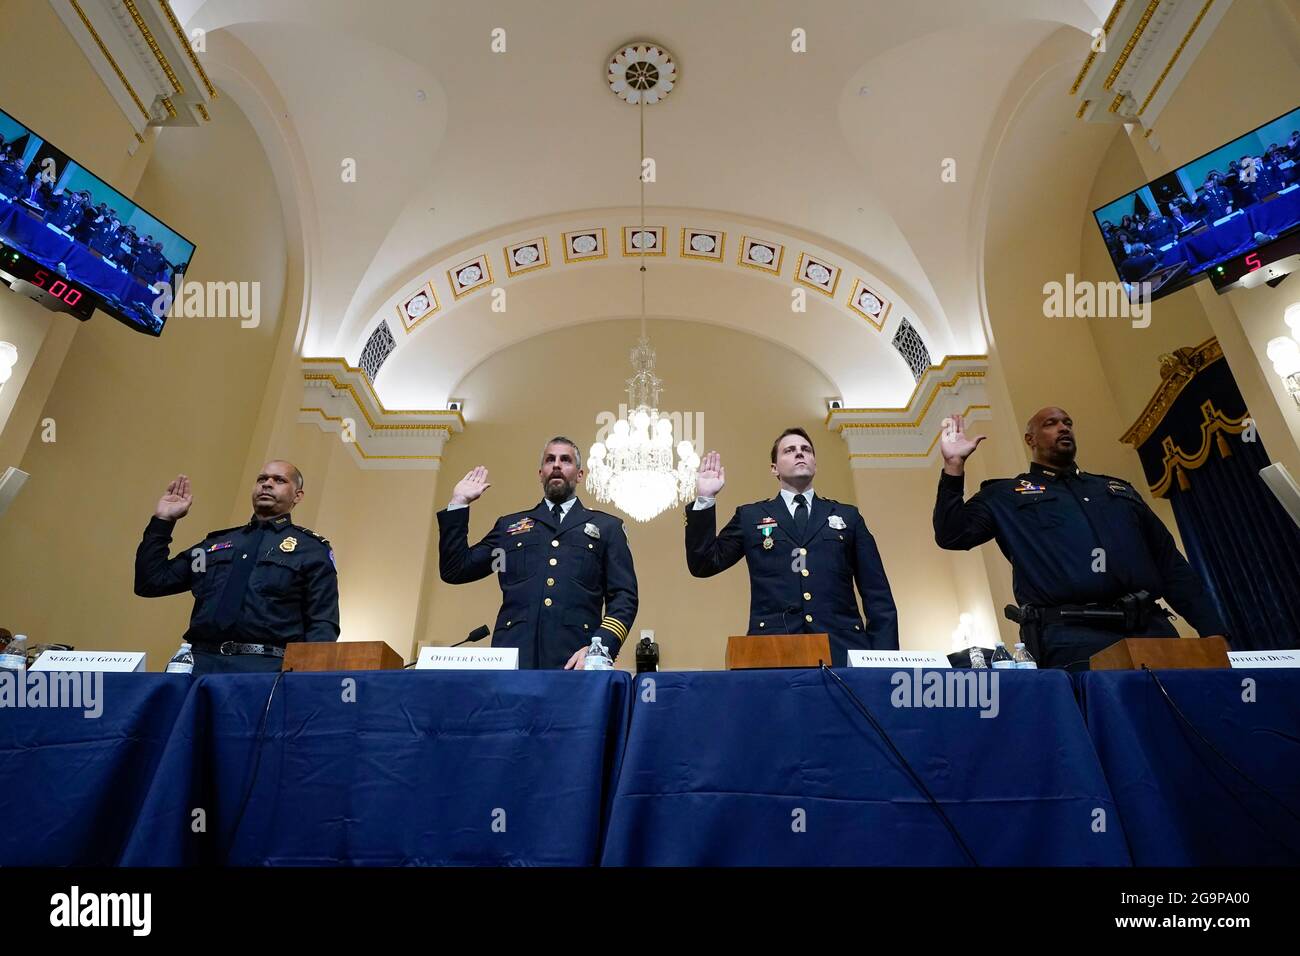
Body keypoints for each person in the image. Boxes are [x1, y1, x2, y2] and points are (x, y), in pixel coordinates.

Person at [933, 409, 1227, 669]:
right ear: (1030, 439)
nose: (1063, 428)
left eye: (1067, 422)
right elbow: (953, 534)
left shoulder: (1116, 490)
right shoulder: (1006, 495)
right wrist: (954, 467)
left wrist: (1214, 632)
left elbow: (1170, 564)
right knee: (1104, 724)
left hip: (1150, 627)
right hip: (1072, 637)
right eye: (1051, 423)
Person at [683, 427, 898, 665]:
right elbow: (703, 563)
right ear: (774, 468)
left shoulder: (848, 516)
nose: (800, 454)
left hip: (842, 648)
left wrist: (884, 660)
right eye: (790, 450)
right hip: (773, 651)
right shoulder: (751, 516)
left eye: (806, 450)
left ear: (815, 464)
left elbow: (877, 594)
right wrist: (705, 499)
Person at [437, 437, 638, 669]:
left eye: (566, 460)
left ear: (580, 474)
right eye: (549, 459)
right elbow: (456, 569)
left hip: (576, 661)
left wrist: (600, 646)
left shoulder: (607, 527)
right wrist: (458, 503)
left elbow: (624, 597)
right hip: (513, 661)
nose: (556, 465)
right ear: (540, 473)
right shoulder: (510, 528)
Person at [134, 461, 339, 675]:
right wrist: (163, 521)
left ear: (298, 495)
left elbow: (322, 623)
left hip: (264, 669)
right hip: (198, 665)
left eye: (279, 480)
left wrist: (307, 680)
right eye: (262, 479)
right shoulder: (215, 546)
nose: (267, 484)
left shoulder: (310, 550)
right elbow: (152, 582)